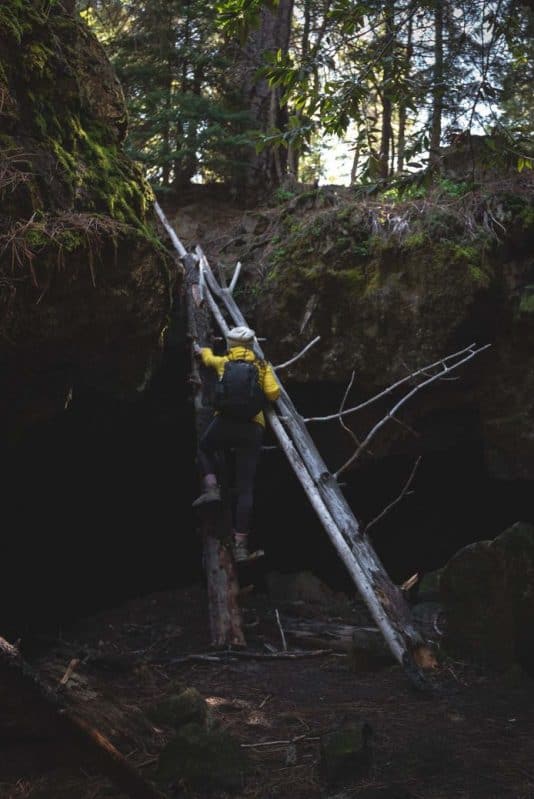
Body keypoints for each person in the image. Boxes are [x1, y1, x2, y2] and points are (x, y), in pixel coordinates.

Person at [192, 325, 280, 561]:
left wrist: (201, 350)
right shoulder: (261, 366)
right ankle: (240, 545)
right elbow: (273, 394)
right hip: (253, 428)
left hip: (226, 423)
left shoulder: (224, 363)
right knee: (245, 488)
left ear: (231, 346)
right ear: (251, 346)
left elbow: (208, 358)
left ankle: (211, 487)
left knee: (204, 447)